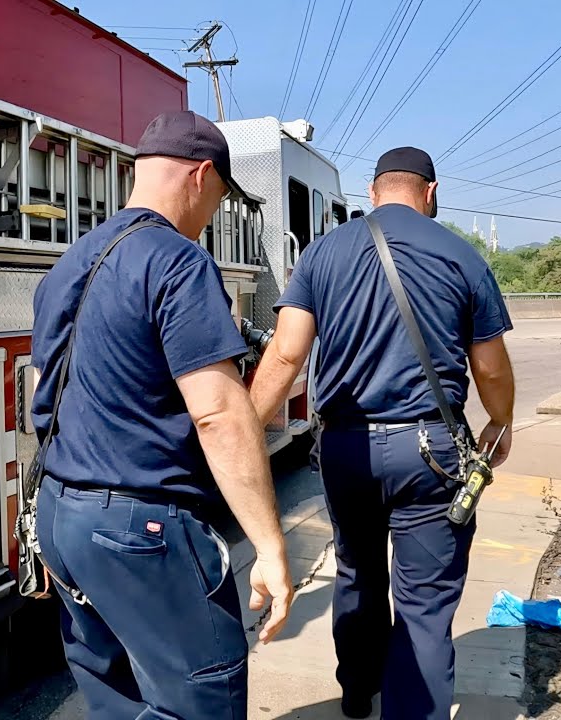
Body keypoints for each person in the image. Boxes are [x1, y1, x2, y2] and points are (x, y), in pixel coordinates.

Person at [30, 110, 294, 720]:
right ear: (202, 175)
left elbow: (42, 394)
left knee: (116, 698)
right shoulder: (177, 263)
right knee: (201, 698)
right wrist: (270, 546)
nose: (209, 221)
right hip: (141, 530)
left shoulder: (68, 265)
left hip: (63, 516)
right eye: (219, 201)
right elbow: (219, 414)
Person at [249, 147, 516, 719]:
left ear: (372, 193)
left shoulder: (322, 254)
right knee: (424, 603)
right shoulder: (461, 256)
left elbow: (285, 354)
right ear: (432, 190)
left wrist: (242, 434)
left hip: (347, 448)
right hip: (432, 453)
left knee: (357, 570)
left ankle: (356, 691)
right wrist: (500, 421)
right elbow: (490, 366)